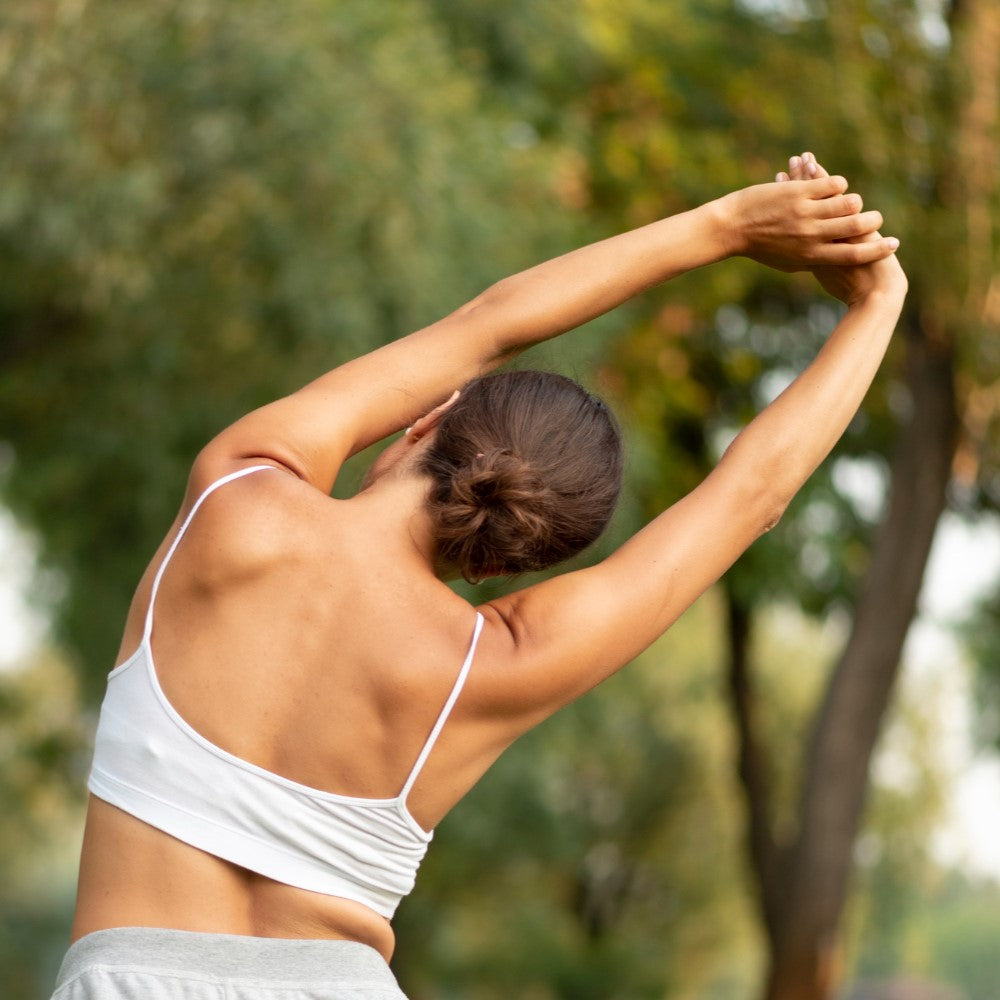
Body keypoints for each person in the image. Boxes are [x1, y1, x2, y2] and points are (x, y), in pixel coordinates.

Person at [52, 152, 906, 999]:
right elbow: (746, 497)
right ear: (500, 562)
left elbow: (487, 326)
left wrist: (726, 224)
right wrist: (879, 305)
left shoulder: (237, 492)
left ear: (427, 418)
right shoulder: (496, 662)